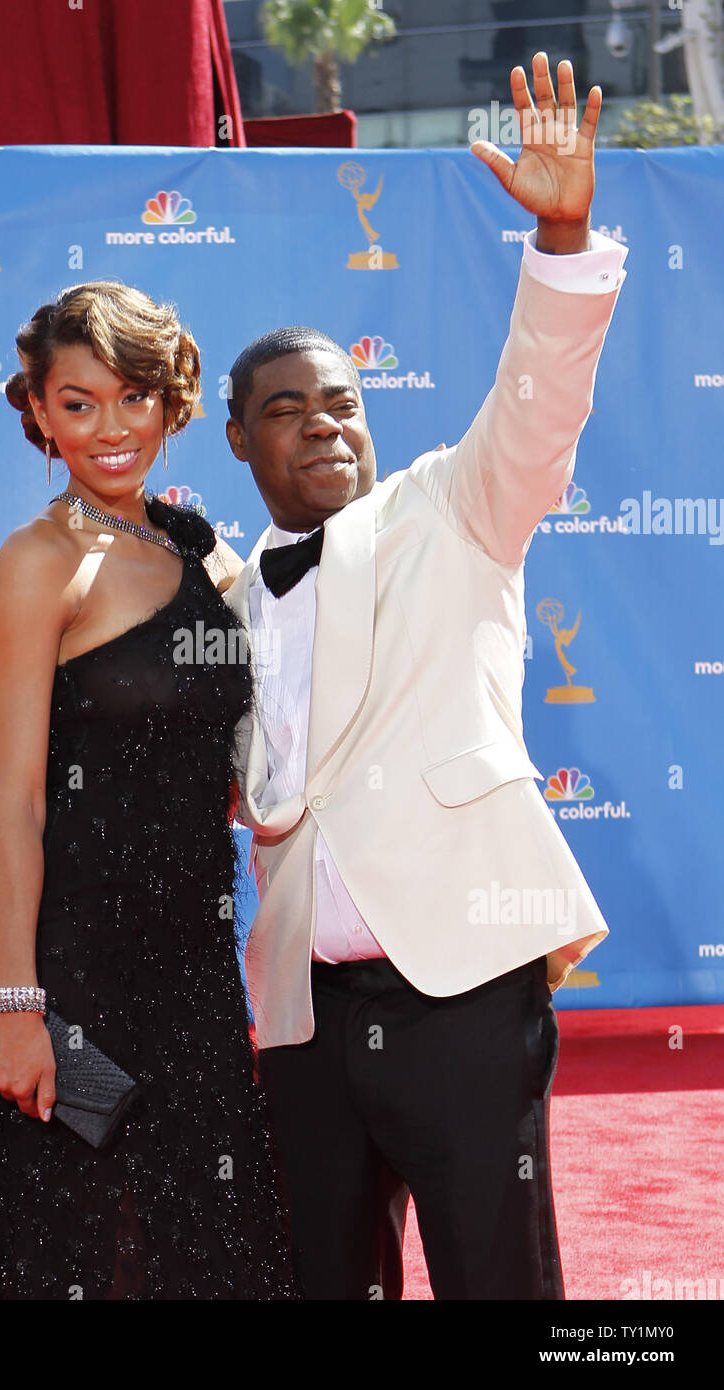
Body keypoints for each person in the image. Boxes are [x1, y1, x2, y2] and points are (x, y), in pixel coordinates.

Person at [222, 54, 626, 1300]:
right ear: (238, 437)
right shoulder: (223, 600)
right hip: (303, 1012)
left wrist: (559, 236)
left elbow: (536, 403)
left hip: (458, 984)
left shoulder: (451, 509)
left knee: (497, 1281)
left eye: (341, 402)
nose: (325, 424)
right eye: (288, 409)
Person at [0, 281, 296, 1300]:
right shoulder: (36, 564)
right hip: (73, 960)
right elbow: (14, 804)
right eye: (79, 402)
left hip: (192, 953)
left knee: (201, 1218)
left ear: (173, 399)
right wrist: (15, 1006)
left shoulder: (197, 549)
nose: (110, 428)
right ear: (39, 414)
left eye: (133, 397)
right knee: (72, 1236)